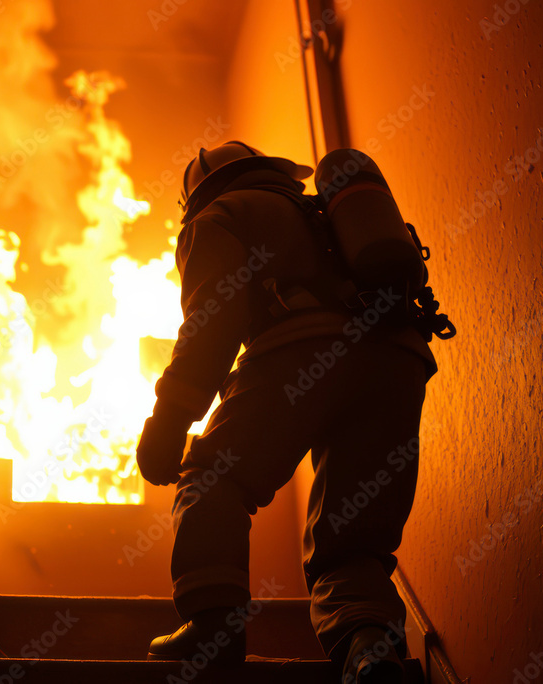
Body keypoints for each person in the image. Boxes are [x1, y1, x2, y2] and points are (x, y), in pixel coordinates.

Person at [136, 141, 444, 683]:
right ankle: (369, 651)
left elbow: (211, 323)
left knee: (212, 477)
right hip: (399, 361)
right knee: (353, 538)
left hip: (302, 349)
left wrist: (169, 420)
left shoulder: (219, 215)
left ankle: (213, 630)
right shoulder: (323, 211)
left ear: (196, 196)